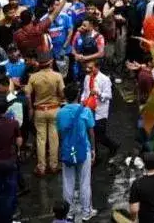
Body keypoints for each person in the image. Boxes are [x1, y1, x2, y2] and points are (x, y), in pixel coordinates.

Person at [56, 82, 96, 223]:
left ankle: (69, 212)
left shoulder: (60, 113)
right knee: (85, 182)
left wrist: (61, 149)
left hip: (68, 151)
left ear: (65, 97)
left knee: (68, 183)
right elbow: (91, 133)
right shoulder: (86, 111)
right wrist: (93, 149)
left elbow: (60, 134)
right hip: (83, 150)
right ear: (78, 95)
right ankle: (86, 212)